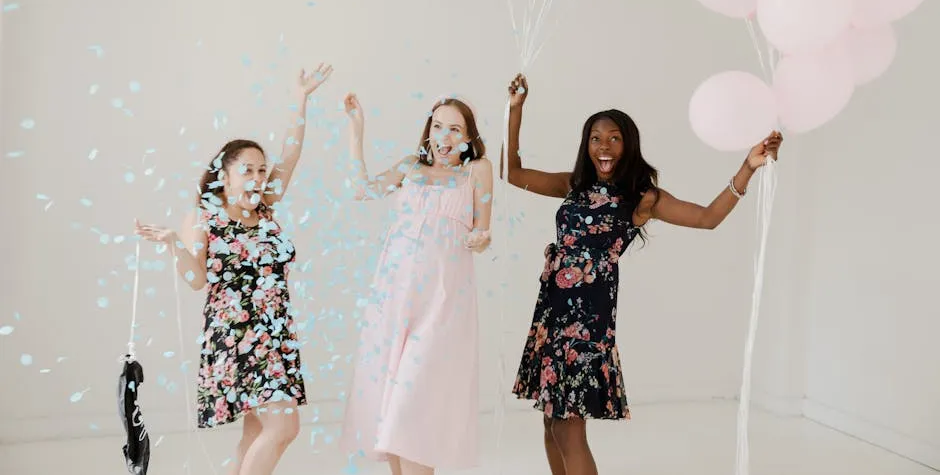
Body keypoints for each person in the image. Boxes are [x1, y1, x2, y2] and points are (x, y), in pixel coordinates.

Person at [502, 73, 783, 475]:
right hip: (552, 312)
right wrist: (516, 110)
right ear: (586, 144)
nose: (604, 146)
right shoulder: (573, 185)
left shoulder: (641, 197)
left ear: (628, 145)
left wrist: (747, 167)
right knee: (551, 421)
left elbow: (707, 218)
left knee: (567, 426)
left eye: (614, 138)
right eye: (596, 138)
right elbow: (511, 172)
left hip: (587, 322)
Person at [134, 64, 333, 475]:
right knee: (283, 427)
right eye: (248, 170)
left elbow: (291, 153)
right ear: (224, 177)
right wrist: (174, 243)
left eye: (262, 170)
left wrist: (301, 98)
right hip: (236, 339)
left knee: (255, 432)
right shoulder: (205, 217)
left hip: (274, 334)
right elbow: (195, 281)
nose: (259, 177)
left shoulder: (265, 208)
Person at [339, 93, 494, 475]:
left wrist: (480, 238)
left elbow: (483, 227)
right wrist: (357, 132)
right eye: (438, 126)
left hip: (442, 301)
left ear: (468, 138)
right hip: (394, 296)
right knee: (390, 403)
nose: (444, 136)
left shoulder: (478, 170)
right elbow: (365, 189)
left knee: (416, 401)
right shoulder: (410, 166)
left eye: (455, 129)